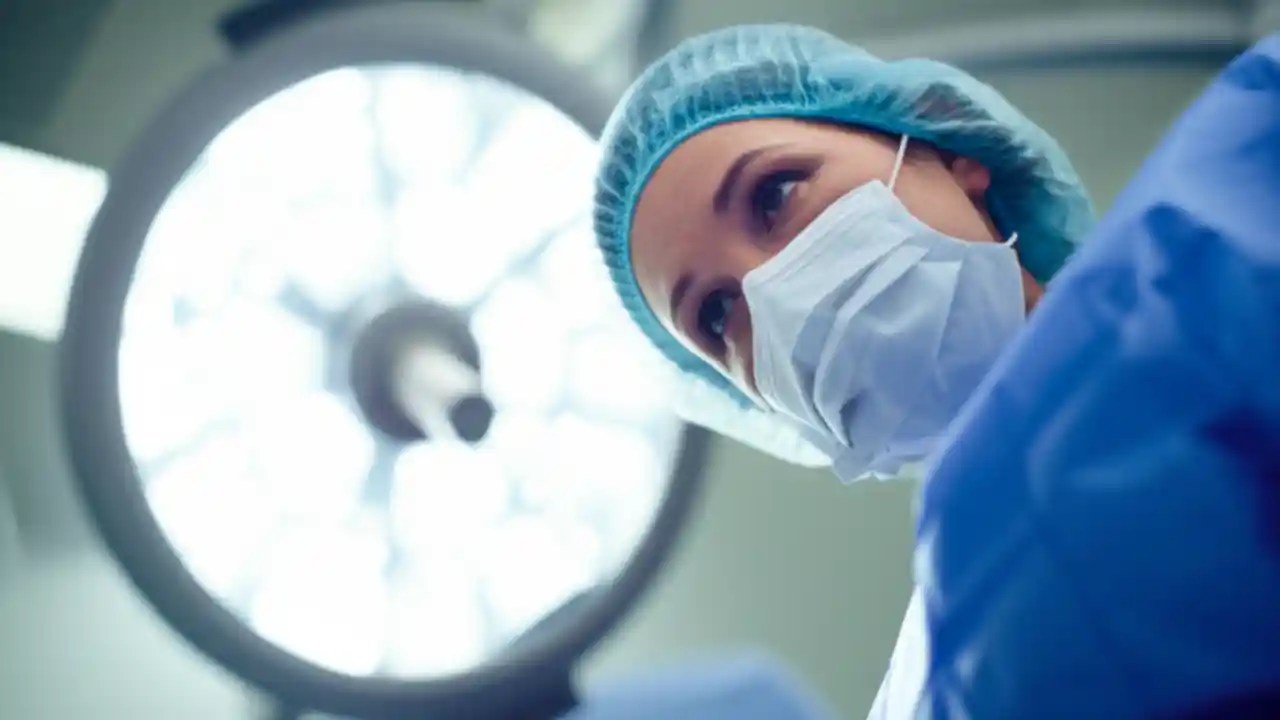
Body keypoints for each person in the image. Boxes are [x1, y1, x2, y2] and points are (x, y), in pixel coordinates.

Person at [591, 24, 1094, 717]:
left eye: (775, 194)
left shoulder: (1213, 253)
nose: (773, 293)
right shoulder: (938, 684)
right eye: (715, 314)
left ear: (949, 153)